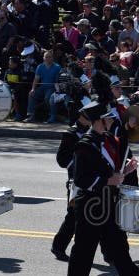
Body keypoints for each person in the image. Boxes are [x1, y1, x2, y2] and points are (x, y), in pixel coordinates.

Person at [64, 102, 139, 276]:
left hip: (108, 203)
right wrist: (108, 181)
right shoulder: (85, 145)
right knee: (83, 250)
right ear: (98, 121)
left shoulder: (106, 139)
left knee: (119, 249)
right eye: (107, 118)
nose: (111, 121)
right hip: (90, 204)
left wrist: (125, 170)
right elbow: (81, 179)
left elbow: (115, 164)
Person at [51, 108, 91, 261]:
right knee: (73, 216)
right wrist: (77, 166)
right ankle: (58, 246)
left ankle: (108, 254)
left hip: (91, 179)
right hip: (76, 181)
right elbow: (62, 159)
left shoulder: (92, 131)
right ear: (81, 117)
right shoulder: (71, 134)